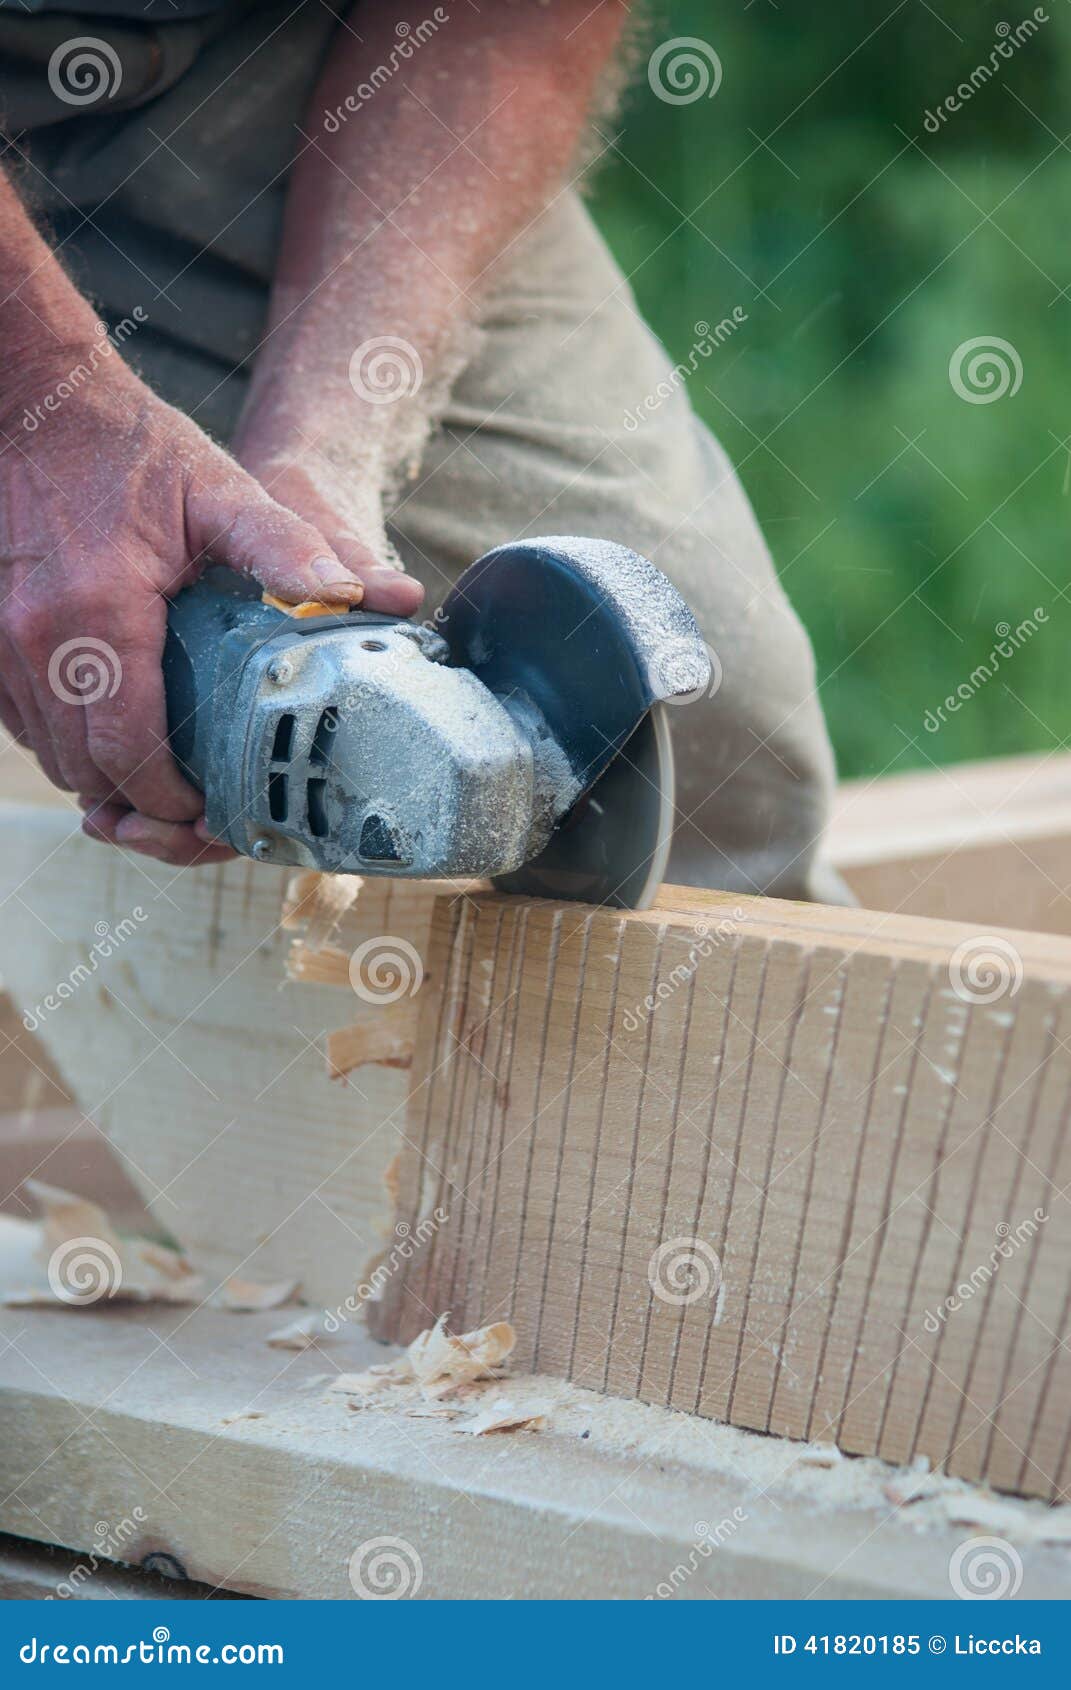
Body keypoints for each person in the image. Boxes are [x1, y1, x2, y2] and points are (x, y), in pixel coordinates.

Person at [0, 1, 843, 899]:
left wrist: (324, 449)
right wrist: (37, 419)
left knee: (726, 731)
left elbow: (505, 25)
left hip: (294, 75)